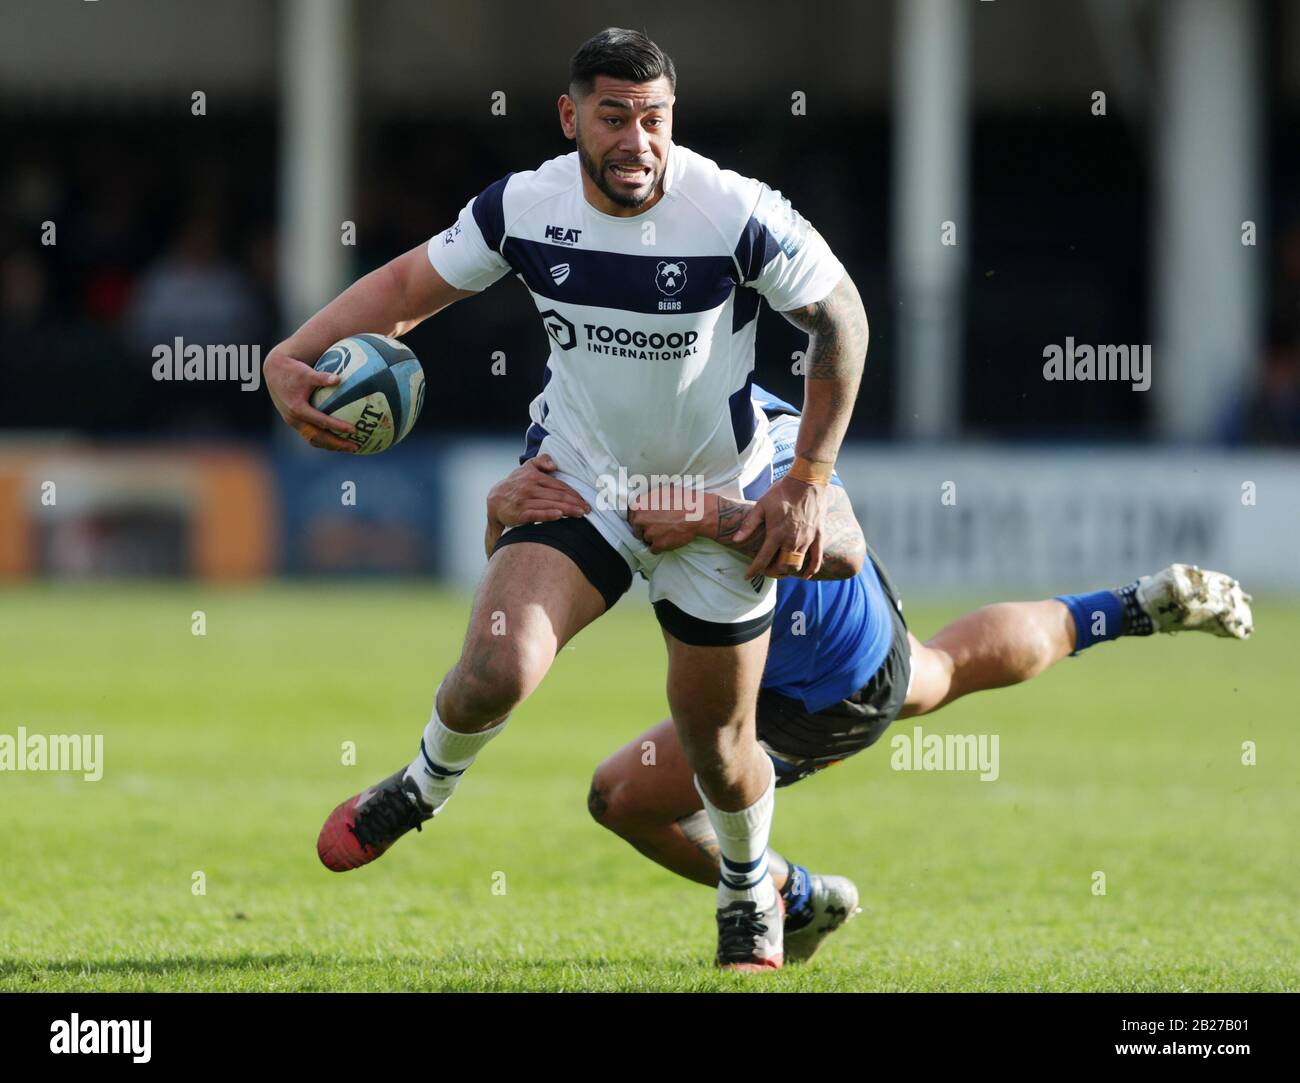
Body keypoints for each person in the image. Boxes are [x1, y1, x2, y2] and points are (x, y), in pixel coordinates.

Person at [263, 28, 868, 971]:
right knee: (496, 670)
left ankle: (751, 886)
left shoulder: (735, 211)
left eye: (655, 119)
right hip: (581, 474)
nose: (638, 141)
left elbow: (843, 317)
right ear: (570, 116)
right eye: (615, 117)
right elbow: (405, 288)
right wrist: (290, 354)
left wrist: (805, 484)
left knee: (715, 743)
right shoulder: (523, 207)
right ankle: (421, 787)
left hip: (712, 487)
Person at [486, 384, 1255, 962]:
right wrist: (503, 514)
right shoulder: (699, 400)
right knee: (938, 669)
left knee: (621, 797)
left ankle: (796, 896)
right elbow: (529, 581)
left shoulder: (702, 427)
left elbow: (832, 536)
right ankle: (1130, 606)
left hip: (818, 680)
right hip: (852, 636)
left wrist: (705, 518)